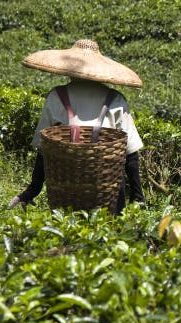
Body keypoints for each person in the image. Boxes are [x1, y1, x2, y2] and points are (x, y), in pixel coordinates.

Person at [8, 39, 145, 213]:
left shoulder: (56, 96)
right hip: (108, 192)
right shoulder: (116, 99)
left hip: (66, 189)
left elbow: (44, 148)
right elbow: (130, 153)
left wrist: (32, 190)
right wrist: (137, 196)